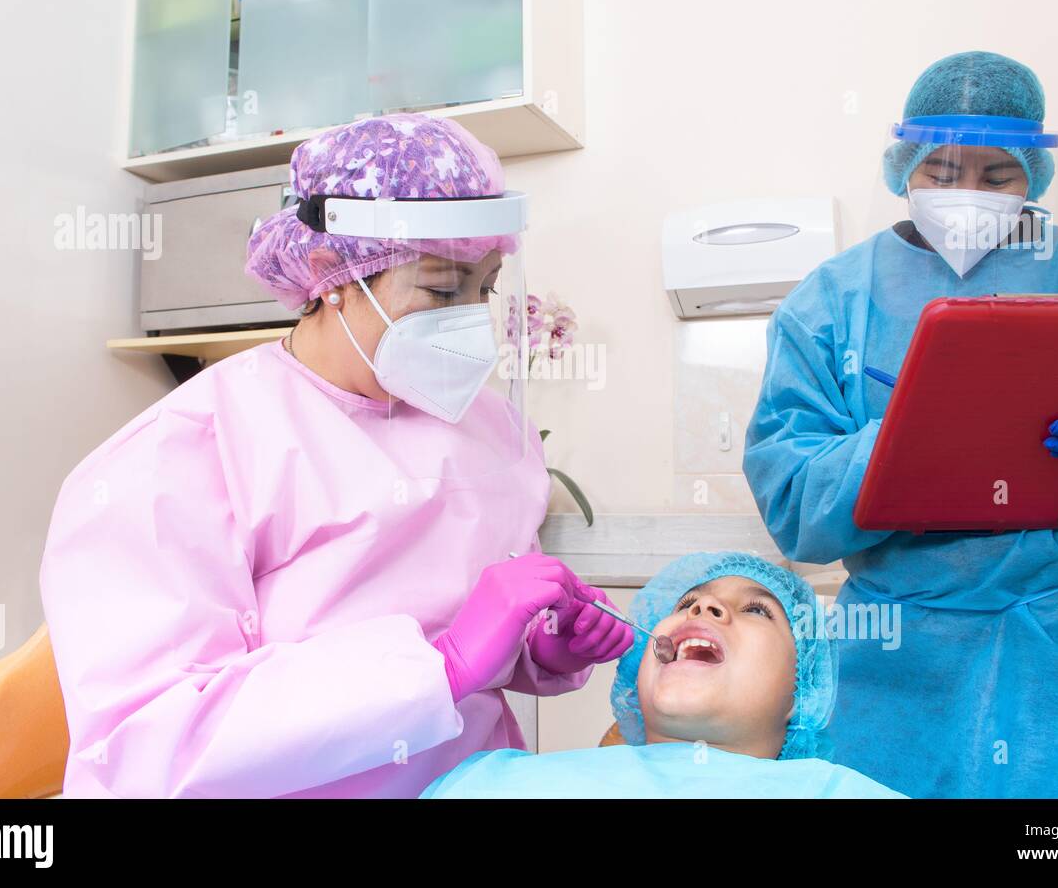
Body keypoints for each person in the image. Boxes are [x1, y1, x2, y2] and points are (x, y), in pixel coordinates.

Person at [38, 113, 631, 797]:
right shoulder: (181, 456)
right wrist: (439, 669)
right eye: (441, 288)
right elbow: (148, 750)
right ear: (330, 274)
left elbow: (487, 627)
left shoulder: (493, 431)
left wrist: (541, 650)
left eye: (486, 286)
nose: (471, 316)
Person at [743, 51, 1058, 798]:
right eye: (942, 172)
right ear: (904, 168)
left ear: (1036, 177)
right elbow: (792, 500)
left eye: (996, 178)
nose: (966, 194)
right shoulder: (830, 304)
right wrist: (899, 444)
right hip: (902, 666)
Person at [421, 552, 904, 798]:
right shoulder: (491, 782)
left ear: (803, 693)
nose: (706, 606)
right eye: (687, 604)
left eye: (757, 611)